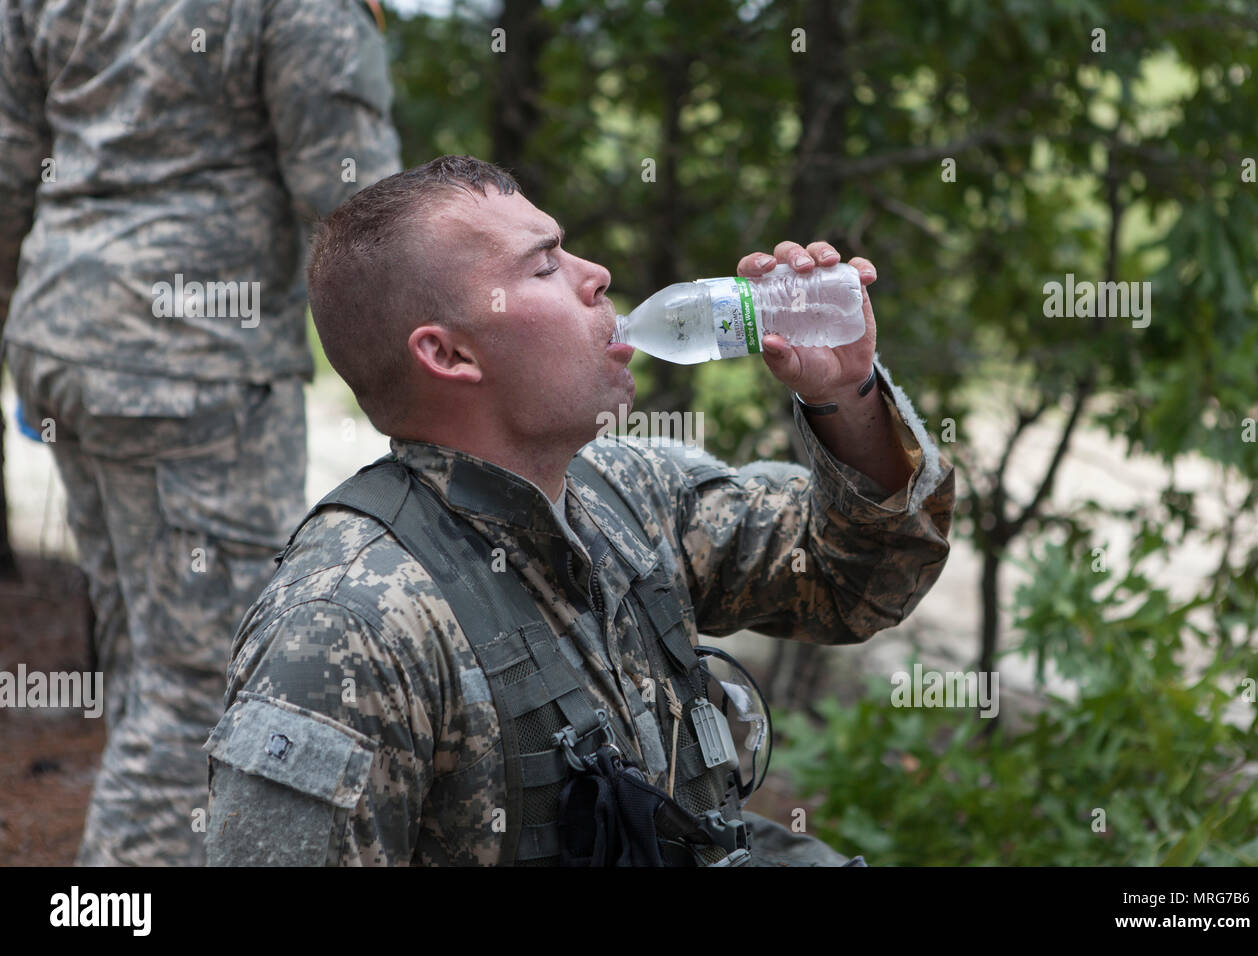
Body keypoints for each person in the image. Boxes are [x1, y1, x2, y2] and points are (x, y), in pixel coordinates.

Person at [204, 154, 955, 866]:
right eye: (545, 264)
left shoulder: (625, 490)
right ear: (452, 356)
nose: (596, 276)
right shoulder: (347, 625)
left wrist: (844, 395)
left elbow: (854, 580)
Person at [0, 0, 402, 865]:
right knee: (198, 691)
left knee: (147, 663)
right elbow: (364, 212)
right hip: (190, 364)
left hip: (65, 333)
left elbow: (7, 165)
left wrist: (20, 328)